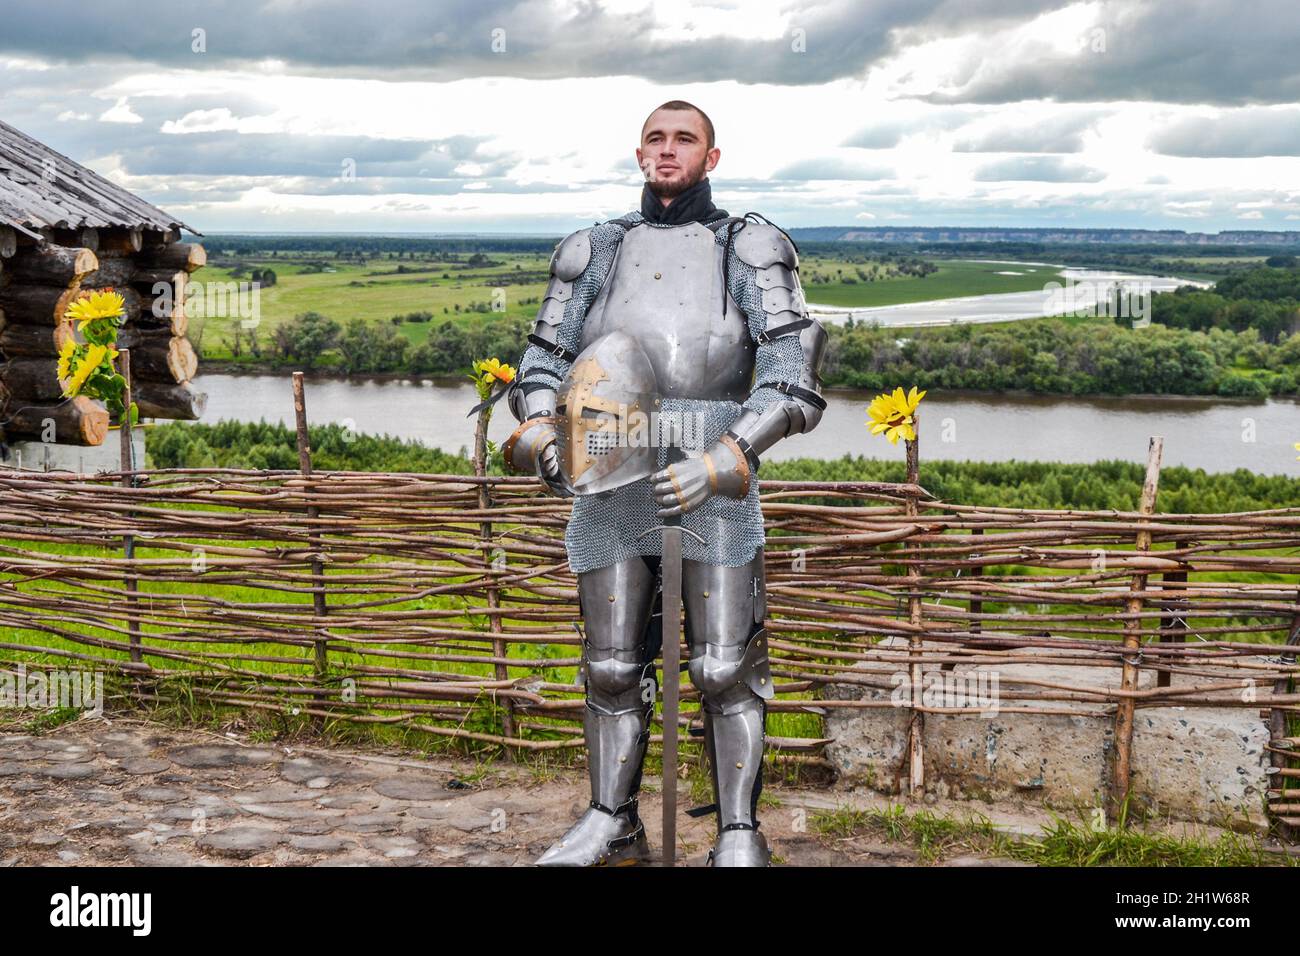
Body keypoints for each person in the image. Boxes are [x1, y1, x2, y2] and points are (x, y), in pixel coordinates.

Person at [501, 100, 828, 866]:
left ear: (711, 157)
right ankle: (611, 820)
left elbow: (791, 371)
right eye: (656, 137)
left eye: (685, 139)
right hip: (611, 467)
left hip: (709, 468)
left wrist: (727, 456)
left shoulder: (750, 245)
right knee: (611, 665)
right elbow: (542, 362)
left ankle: (738, 832)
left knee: (723, 666)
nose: (668, 149)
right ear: (638, 152)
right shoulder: (597, 250)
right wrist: (548, 433)